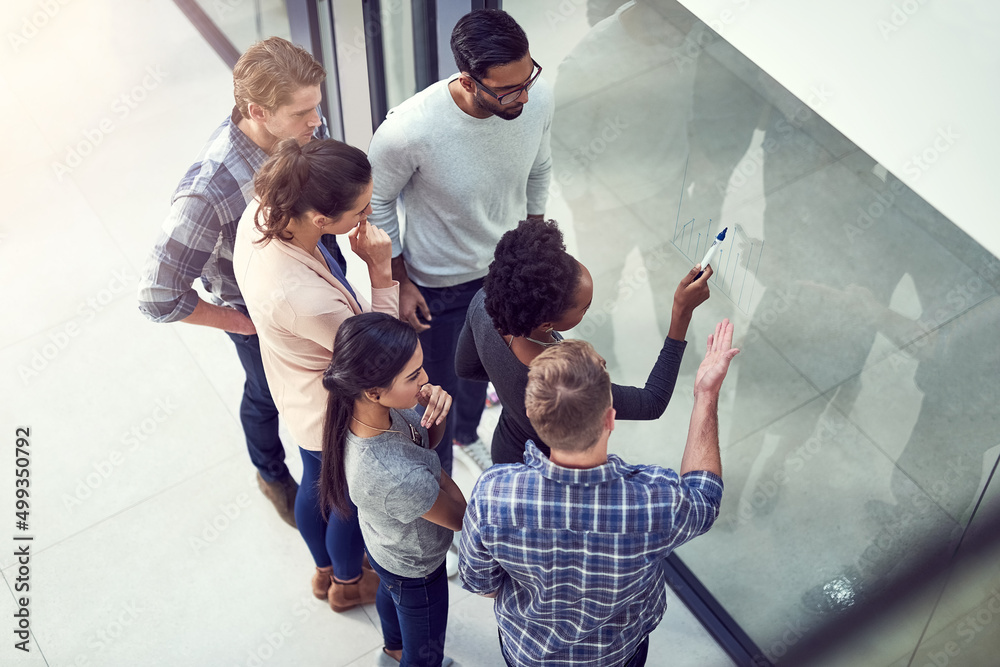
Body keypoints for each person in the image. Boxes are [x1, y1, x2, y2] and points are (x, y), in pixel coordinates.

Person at [137, 37, 347, 526]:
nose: (316, 123)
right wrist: (239, 324)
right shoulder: (208, 191)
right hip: (259, 313)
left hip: (317, 271)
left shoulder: (303, 128)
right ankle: (272, 474)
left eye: (317, 107)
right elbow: (155, 294)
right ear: (257, 110)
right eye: (301, 113)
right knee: (267, 394)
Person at [460, 323, 739, 666]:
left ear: (532, 414)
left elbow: (481, 583)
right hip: (619, 654)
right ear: (610, 418)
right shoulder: (655, 501)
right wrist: (705, 395)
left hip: (528, 653)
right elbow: (705, 497)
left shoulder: (492, 495)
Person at [367, 8, 554, 475]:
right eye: (509, 89)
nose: (525, 96)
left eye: (528, 77)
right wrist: (400, 279)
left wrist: (535, 242)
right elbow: (378, 203)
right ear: (469, 82)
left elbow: (539, 169)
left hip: (505, 271)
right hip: (438, 286)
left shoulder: (537, 98)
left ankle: (471, 434)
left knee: (485, 368)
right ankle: (441, 477)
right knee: (438, 392)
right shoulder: (407, 131)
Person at [232, 138, 396, 611]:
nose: (367, 218)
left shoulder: (266, 209)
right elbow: (378, 354)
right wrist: (381, 272)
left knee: (314, 480)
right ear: (322, 220)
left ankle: (324, 571)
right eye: (361, 211)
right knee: (345, 499)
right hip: (328, 405)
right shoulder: (303, 298)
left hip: (293, 384)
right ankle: (347, 583)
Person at [455, 219, 710, 465]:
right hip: (547, 473)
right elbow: (651, 402)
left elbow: (465, 368)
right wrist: (681, 313)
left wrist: (508, 385)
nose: (589, 308)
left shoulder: (484, 303)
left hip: (506, 452)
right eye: (584, 308)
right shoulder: (565, 380)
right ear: (546, 324)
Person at [321, 313, 465, 667]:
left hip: (386, 549)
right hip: (418, 568)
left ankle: (392, 650)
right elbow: (459, 517)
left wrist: (437, 415)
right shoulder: (395, 476)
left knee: (390, 592)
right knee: (425, 655)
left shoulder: (364, 411)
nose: (426, 380)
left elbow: (424, 442)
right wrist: (438, 476)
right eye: (414, 376)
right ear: (373, 390)